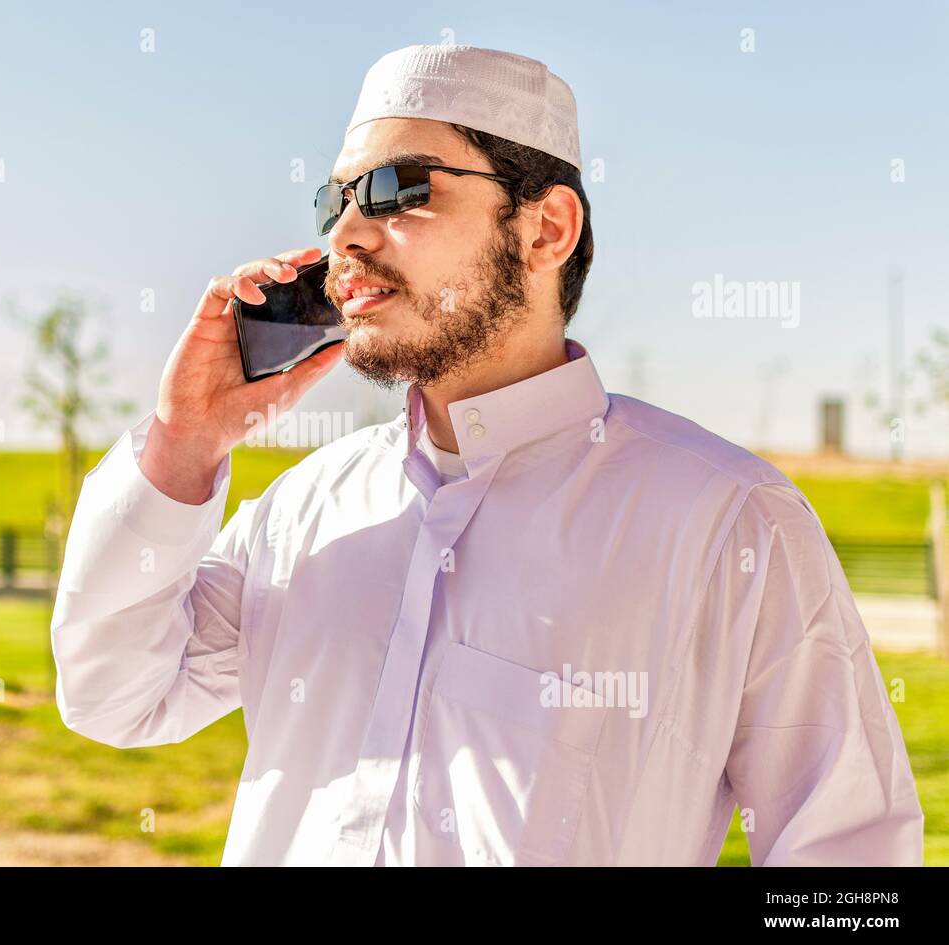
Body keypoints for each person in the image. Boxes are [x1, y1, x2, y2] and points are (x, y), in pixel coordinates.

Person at [50, 44, 923, 866]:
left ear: (547, 229)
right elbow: (117, 693)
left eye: (398, 190)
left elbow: (849, 861)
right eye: (336, 202)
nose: (346, 238)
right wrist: (184, 440)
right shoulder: (304, 511)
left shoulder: (727, 521)